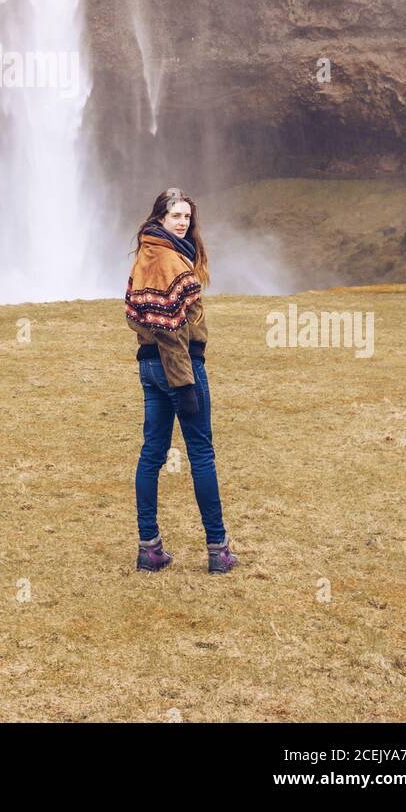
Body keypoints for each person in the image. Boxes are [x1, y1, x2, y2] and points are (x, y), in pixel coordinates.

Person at [124, 187, 239, 574]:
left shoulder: (146, 254)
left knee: (152, 454)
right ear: (160, 218)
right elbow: (172, 330)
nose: (183, 222)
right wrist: (185, 382)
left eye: (187, 217)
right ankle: (218, 550)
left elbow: (134, 315)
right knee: (202, 455)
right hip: (179, 369)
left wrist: (152, 344)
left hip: (149, 368)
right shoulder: (170, 261)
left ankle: (149, 548)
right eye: (176, 216)